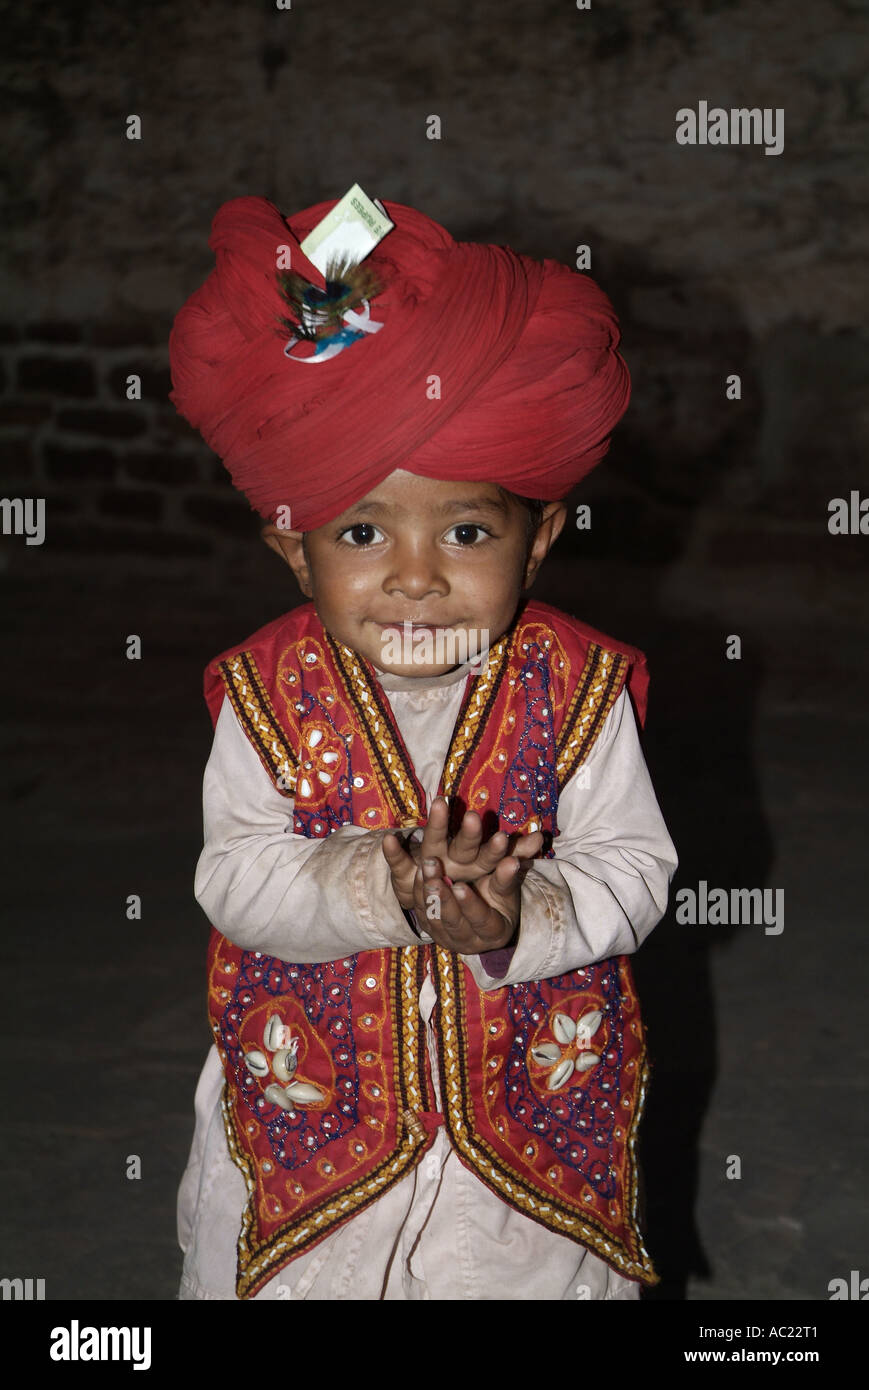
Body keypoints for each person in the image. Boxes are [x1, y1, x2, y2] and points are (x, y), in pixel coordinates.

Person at [168, 189, 678, 1301]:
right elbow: (234, 872)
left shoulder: (580, 691)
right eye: (360, 531)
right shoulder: (266, 693)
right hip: (309, 1126)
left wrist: (522, 916)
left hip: (531, 1133)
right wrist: (373, 886)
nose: (414, 574)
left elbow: (634, 871)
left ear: (536, 537)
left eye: (463, 530)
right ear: (291, 547)